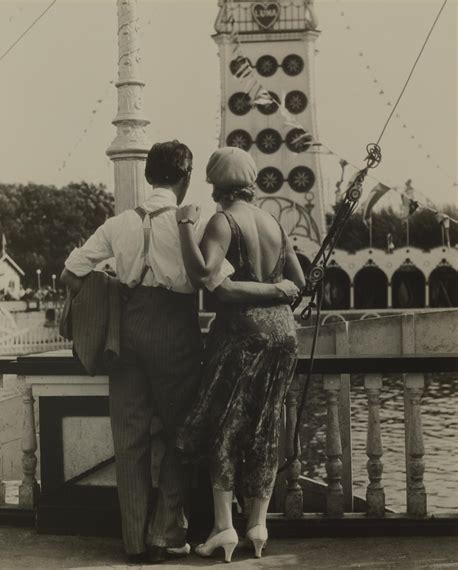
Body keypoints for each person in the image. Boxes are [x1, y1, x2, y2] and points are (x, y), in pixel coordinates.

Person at [61, 141, 299, 564]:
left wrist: (110, 289)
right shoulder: (194, 222)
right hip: (175, 332)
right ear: (186, 178)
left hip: (127, 333)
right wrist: (279, 291)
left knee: (129, 438)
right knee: (183, 436)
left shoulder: (117, 224)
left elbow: (71, 272)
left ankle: (134, 542)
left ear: (149, 175)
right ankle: (164, 532)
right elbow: (217, 282)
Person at [175, 147, 306, 562]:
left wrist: (184, 228)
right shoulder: (273, 222)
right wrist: (277, 291)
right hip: (284, 335)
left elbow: (209, 279)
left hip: (241, 335)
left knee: (225, 426)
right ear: (251, 181)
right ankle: (258, 525)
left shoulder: (222, 220)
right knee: (266, 425)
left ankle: (223, 527)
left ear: (215, 185)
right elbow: (298, 284)